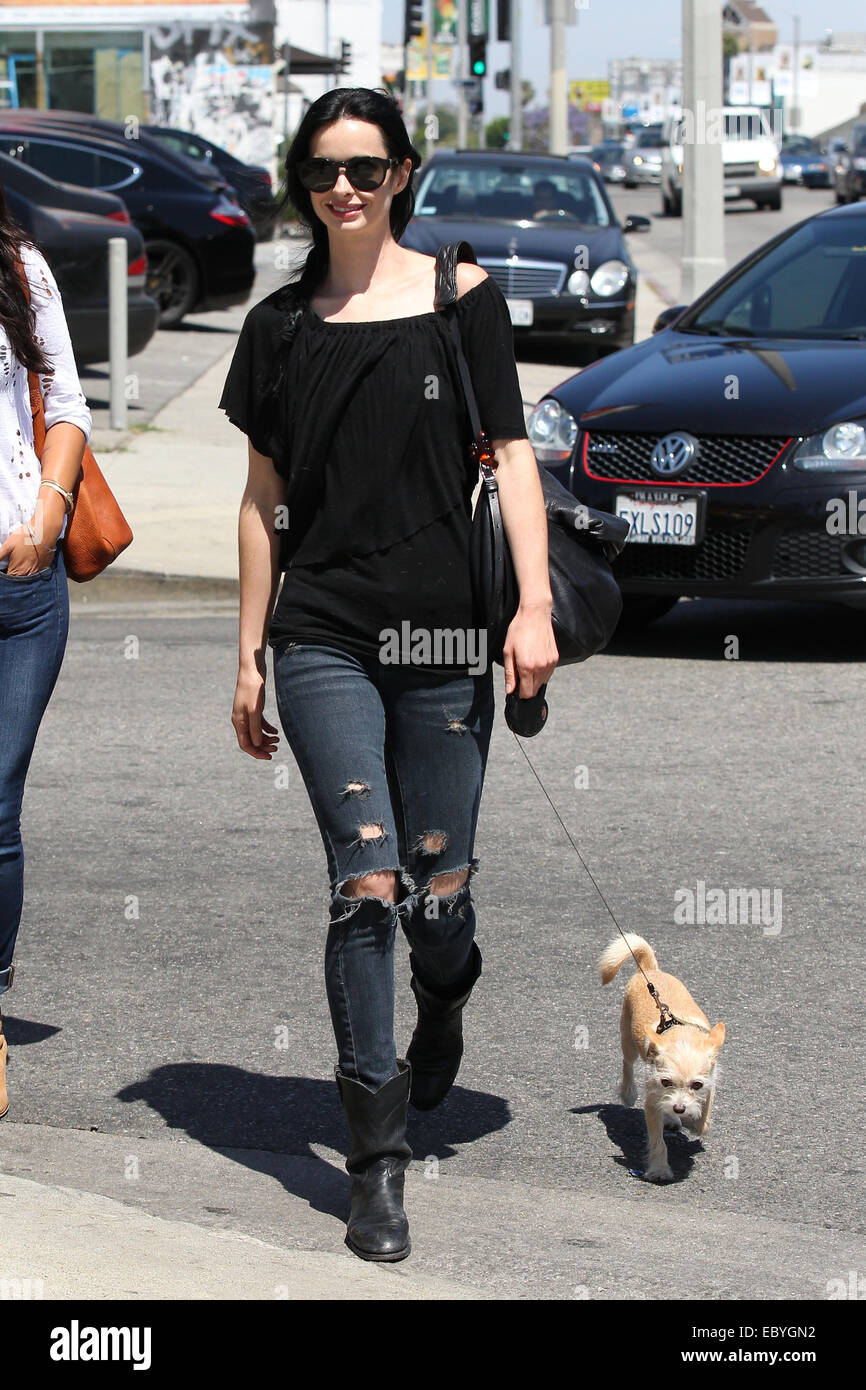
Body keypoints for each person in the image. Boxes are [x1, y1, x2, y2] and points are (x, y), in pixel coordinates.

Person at [219, 87, 558, 1262]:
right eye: (321, 170)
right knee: (361, 881)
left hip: (442, 643)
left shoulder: (462, 301)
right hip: (323, 635)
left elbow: (511, 456)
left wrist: (533, 606)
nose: (343, 189)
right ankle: (375, 1160)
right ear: (299, 182)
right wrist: (250, 651)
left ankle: (448, 991)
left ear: (403, 173)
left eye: (364, 167)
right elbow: (263, 504)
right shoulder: (276, 329)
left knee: (435, 899)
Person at [0, 188, 91, 1117]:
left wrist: (47, 518)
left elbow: (65, 403)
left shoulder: (20, 268)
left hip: (18, 581)